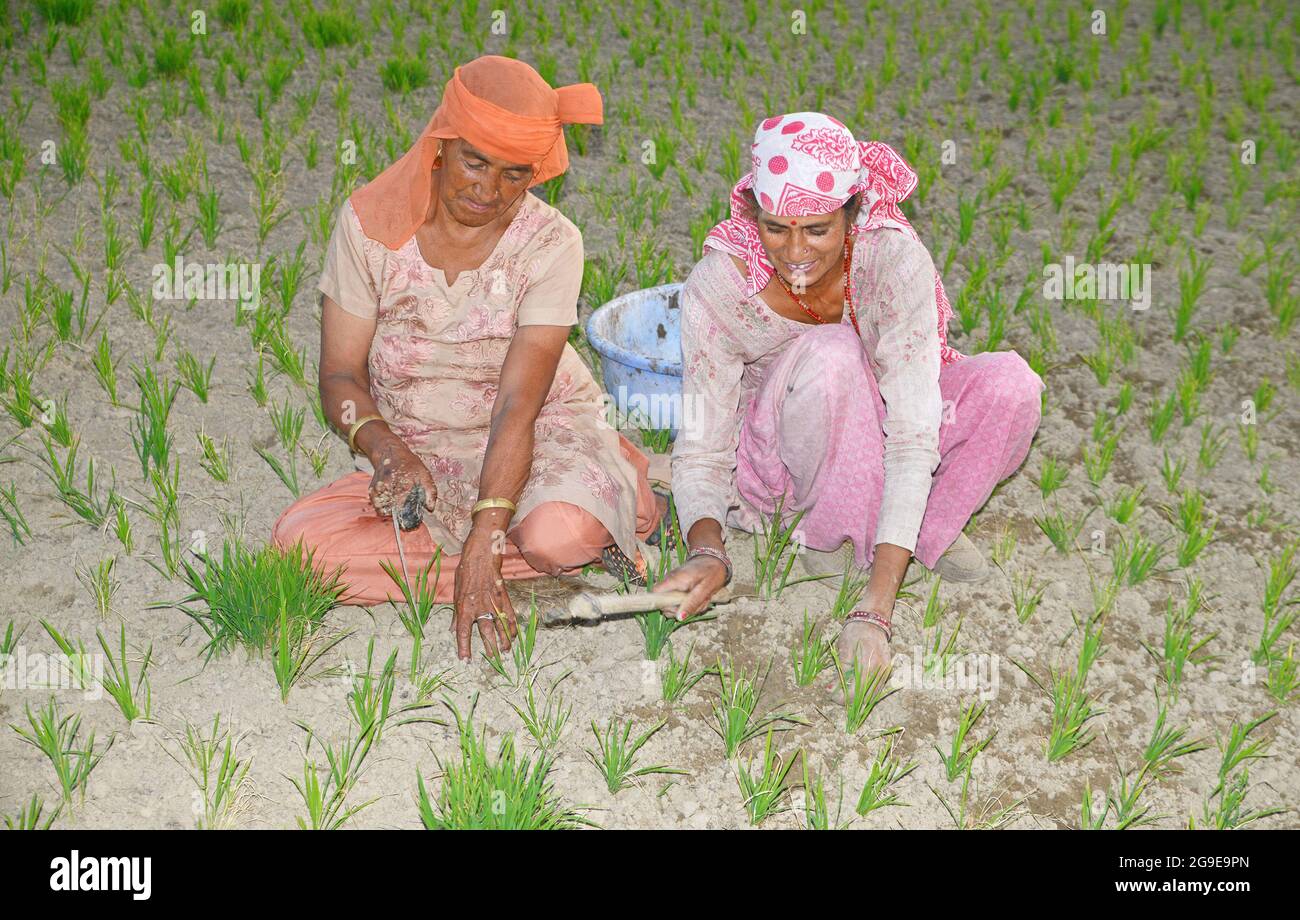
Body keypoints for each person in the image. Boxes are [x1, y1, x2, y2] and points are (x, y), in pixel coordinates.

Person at [272, 56, 665, 662]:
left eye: (515, 175)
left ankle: (585, 503)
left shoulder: (551, 243)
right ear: (441, 144)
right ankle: (536, 547)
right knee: (302, 551)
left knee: (557, 538)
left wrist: (486, 530)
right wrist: (386, 450)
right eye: (474, 163)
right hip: (424, 449)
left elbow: (519, 403)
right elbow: (340, 377)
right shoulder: (370, 226)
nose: (489, 191)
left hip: (533, 429)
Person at [657, 112, 1045, 677]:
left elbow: (913, 427)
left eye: (817, 229)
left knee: (1011, 385)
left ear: (853, 212)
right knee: (834, 352)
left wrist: (877, 606)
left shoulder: (890, 261)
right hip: (784, 458)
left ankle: (916, 537)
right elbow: (702, 441)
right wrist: (707, 550)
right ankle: (826, 536)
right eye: (775, 227)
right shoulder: (721, 286)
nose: (794, 252)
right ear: (753, 214)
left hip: (882, 426)